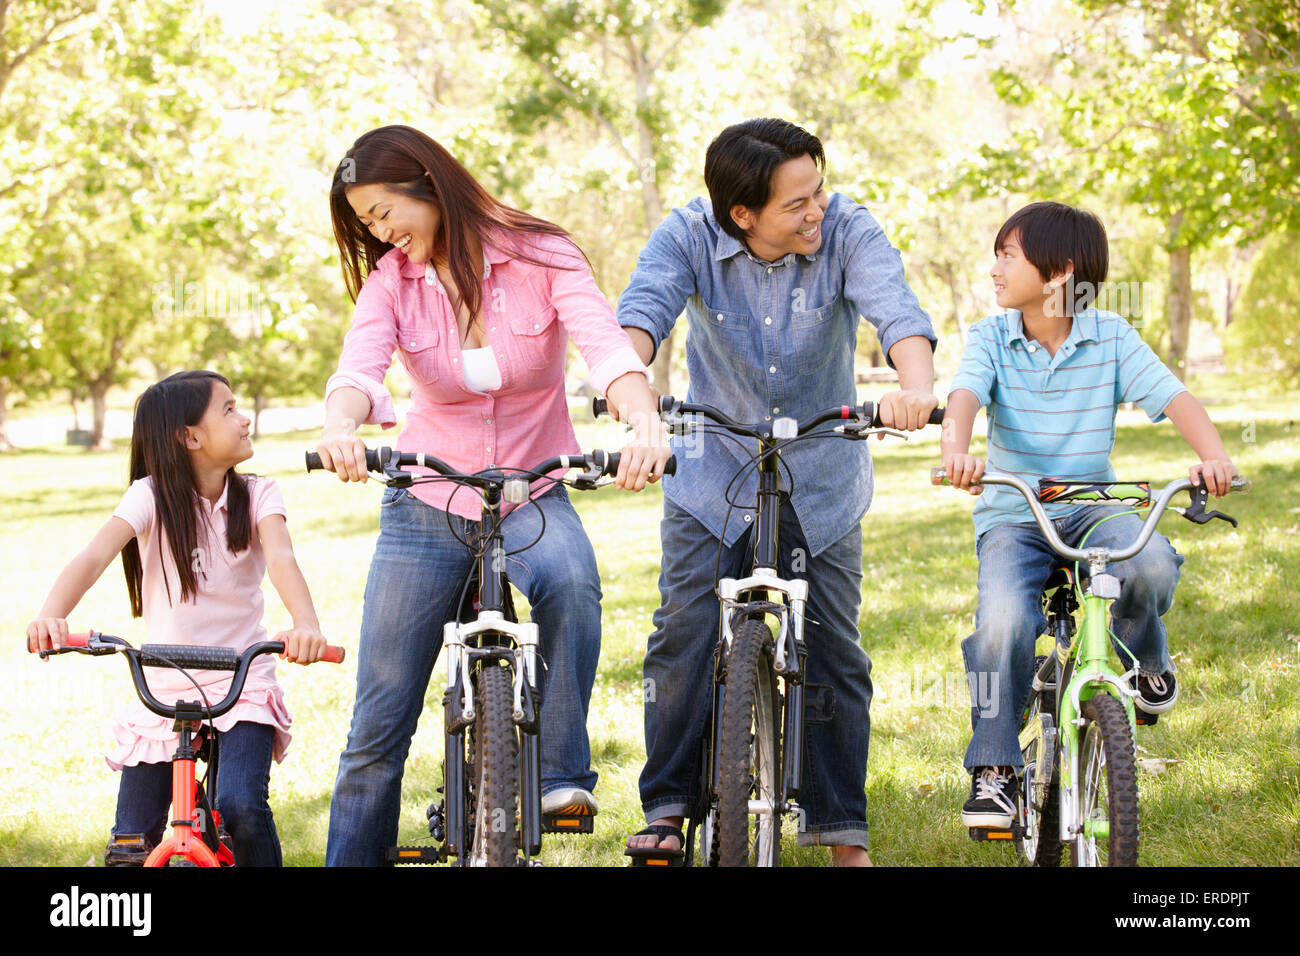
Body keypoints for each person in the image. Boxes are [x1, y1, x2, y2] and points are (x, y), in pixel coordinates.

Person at [315, 125, 669, 866]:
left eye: (385, 212)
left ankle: (560, 775)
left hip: (532, 490)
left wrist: (643, 420)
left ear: (427, 182)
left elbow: (605, 347)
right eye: (367, 224)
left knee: (573, 584)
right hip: (428, 501)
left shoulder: (543, 253)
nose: (381, 234)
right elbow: (359, 366)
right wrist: (341, 426)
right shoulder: (393, 283)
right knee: (378, 724)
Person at [617, 117, 939, 866]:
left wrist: (915, 386)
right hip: (711, 468)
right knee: (682, 637)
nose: (816, 209)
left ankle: (840, 830)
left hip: (822, 469)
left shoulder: (848, 227)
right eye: (797, 203)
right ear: (742, 215)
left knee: (836, 653)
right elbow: (639, 319)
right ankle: (668, 806)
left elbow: (895, 307)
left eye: (818, 190)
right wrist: (634, 406)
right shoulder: (688, 234)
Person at [940, 201, 1238, 829]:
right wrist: (956, 451)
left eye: (1007, 255)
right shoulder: (991, 337)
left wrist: (1214, 458)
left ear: (1058, 273)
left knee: (1151, 564)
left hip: (1093, 505)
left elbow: (1174, 396)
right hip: (1015, 514)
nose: (994, 267)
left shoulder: (1110, 336)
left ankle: (1142, 662)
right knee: (1001, 622)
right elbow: (964, 394)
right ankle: (994, 769)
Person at [27, 370, 329, 866]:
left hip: (242, 680)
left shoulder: (258, 495)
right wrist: (51, 617)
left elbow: (282, 560)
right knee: (131, 841)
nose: (244, 416)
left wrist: (306, 624)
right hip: (165, 685)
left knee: (241, 807)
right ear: (189, 437)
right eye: (228, 410)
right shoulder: (149, 497)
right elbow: (93, 556)